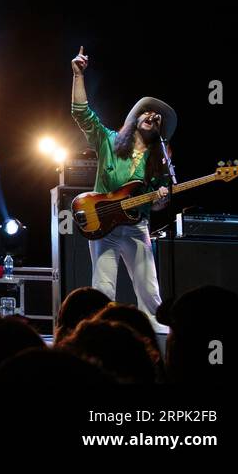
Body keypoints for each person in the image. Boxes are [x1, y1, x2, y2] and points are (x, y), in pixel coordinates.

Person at [71, 47, 172, 331]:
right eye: (148, 111)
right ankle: (100, 337)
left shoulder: (159, 160)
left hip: (137, 227)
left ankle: (159, 345)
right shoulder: (109, 141)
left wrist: (160, 200)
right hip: (103, 224)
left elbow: (157, 203)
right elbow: (82, 114)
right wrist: (78, 75)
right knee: (102, 290)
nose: (152, 116)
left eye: (158, 117)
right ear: (137, 116)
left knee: (150, 292)